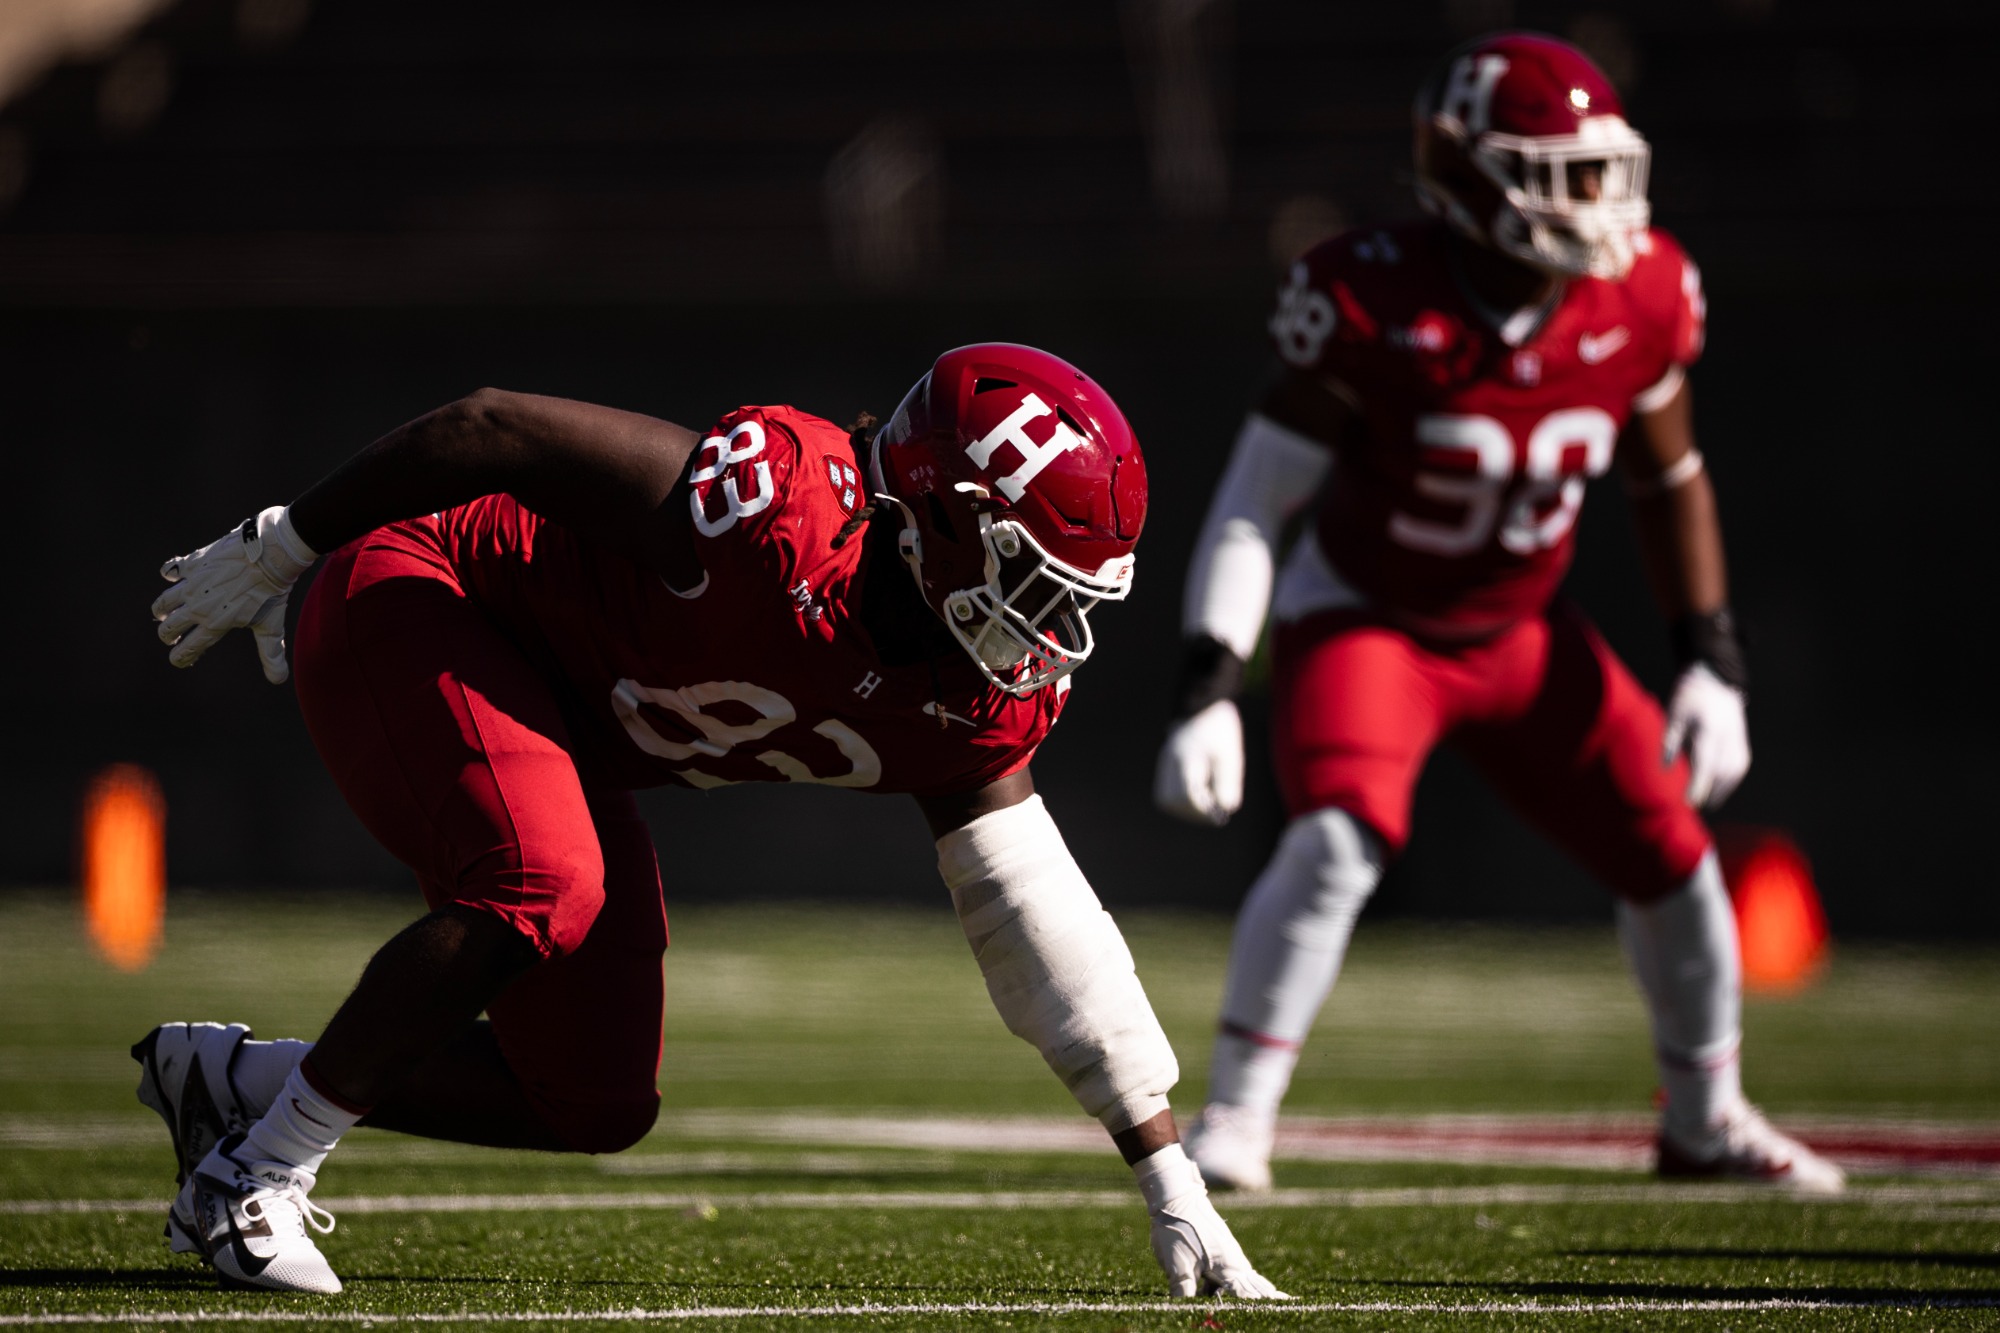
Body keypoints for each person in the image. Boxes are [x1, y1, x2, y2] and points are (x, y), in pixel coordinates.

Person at [139, 342, 1287, 1299]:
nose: (1042, 629)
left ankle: (240, 1084)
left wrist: (1168, 1181)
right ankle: (251, 1178)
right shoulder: (775, 511)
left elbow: (1032, 913)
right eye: (1029, 579)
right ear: (941, 514)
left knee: (592, 1098)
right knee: (546, 882)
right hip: (417, 597)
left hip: (559, 721)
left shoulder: (971, 695)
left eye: (1066, 599)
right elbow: (491, 428)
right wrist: (282, 546)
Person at [1153, 33, 1843, 1196]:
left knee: (1674, 857)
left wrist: (1708, 658)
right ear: (1470, 174)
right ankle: (1234, 1119)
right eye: (1560, 171)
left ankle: (1704, 1118)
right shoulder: (1366, 295)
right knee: (1333, 841)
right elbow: (1254, 497)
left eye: (1600, 168)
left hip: (1522, 630)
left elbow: (1667, 479)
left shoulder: (1640, 293)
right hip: (1369, 618)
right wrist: (1208, 682)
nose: (1595, 202)